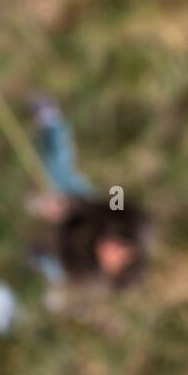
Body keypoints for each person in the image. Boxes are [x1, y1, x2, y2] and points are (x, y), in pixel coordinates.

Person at [27, 98, 147, 288]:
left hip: (54, 227)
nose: (113, 250)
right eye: (122, 249)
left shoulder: (82, 269)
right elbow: (111, 201)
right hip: (79, 201)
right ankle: (51, 119)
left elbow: (59, 261)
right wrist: (69, 204)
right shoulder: (121, 223)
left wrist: (51, 227)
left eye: (116, 260)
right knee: (57, 168)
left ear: (109, 270)